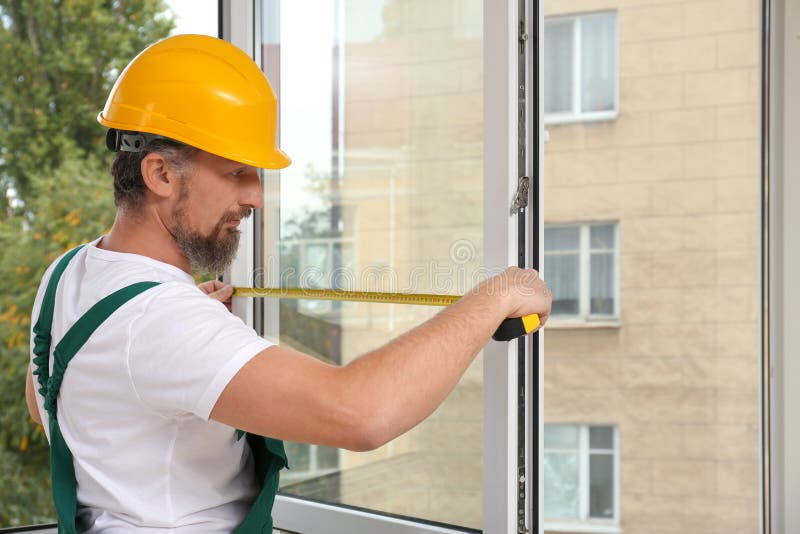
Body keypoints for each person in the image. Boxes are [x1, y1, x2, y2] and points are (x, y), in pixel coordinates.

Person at [24, 34, 552, 533]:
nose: (257, 197)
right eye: (236, 172)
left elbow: (48, 402)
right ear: (160, 174)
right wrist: (496, 295)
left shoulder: (69, 273)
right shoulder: (162, 321)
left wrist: (175, 358)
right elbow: (363, 414)